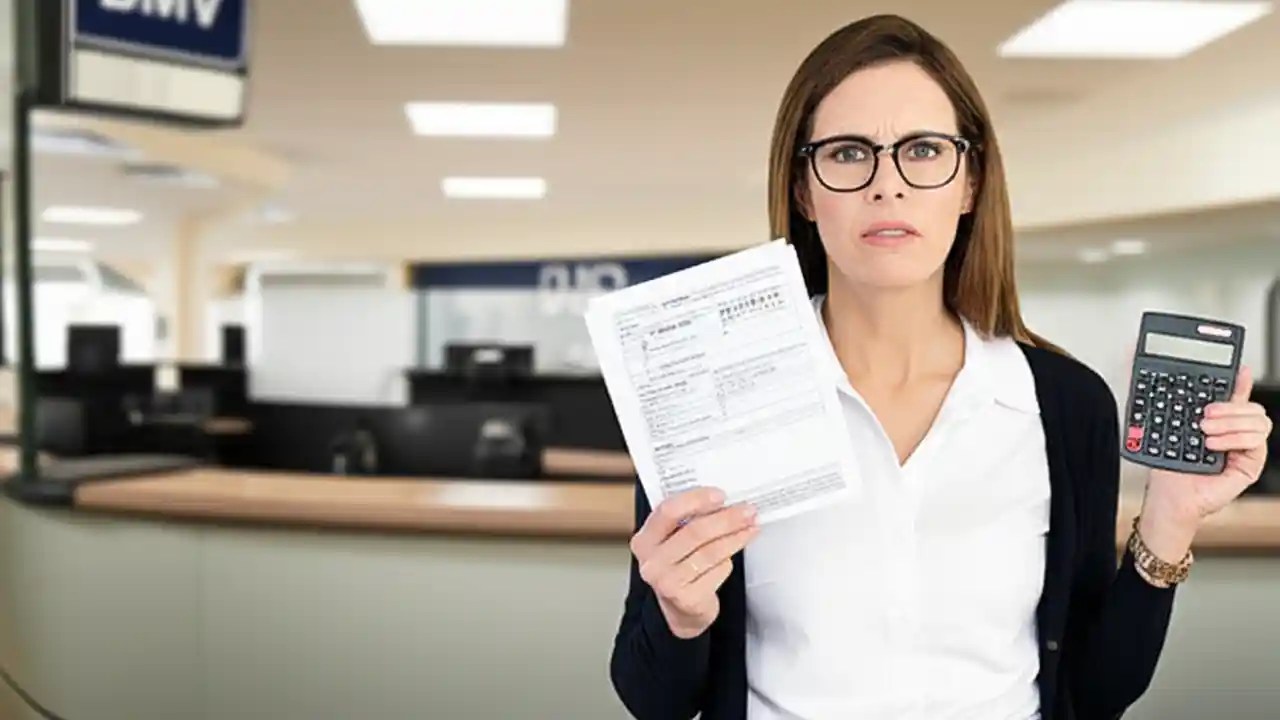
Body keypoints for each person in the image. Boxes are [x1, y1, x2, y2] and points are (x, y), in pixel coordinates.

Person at [608, 14, 1274, 720]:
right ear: (804, 190)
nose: (886, 185)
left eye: (923, 151)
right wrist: (679, 615)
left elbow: (1098, 690)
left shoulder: (1066, 405)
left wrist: (1169, 518)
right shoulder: (714, 392)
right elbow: (651, 697)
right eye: (847, 153)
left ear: (970, 183)